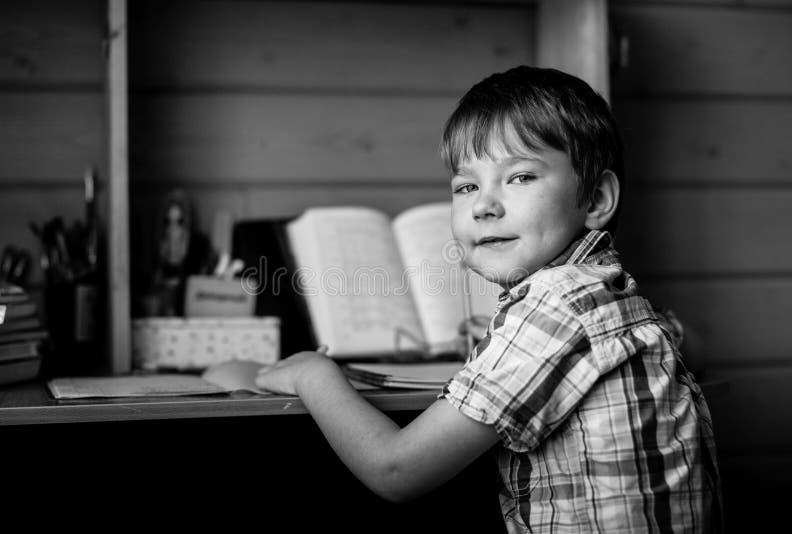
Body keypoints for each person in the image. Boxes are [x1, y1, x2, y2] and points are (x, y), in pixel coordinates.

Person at [252, 66, 722, 532]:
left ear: (596, 198)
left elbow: (396, 471)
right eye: (467, 186)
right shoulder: (607, 290)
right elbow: (692, 344)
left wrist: (314, 374)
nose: (483, 205)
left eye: (519, 177)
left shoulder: (554, 303)